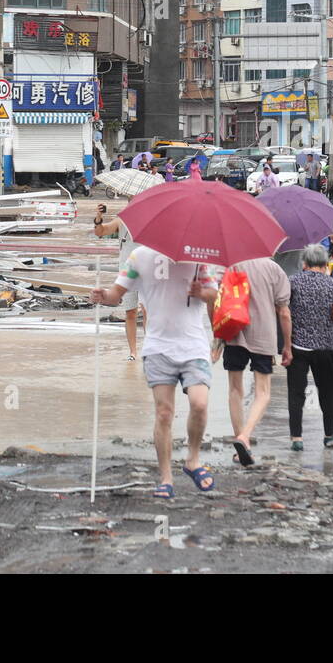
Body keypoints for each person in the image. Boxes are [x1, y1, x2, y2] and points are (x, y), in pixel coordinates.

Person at [91, 246, 218, 499]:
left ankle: (192, 460)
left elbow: (214, 294)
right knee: (163, 413)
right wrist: (101, 295)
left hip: (194, 346)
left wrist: (201, 292)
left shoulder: (197, 256)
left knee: (200, 403)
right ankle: (166, 477)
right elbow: (116, 295)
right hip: (158, 347)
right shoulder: (139, 257)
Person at [283, 243, 333, 451]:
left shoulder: (293, 282)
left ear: (304, 263)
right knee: (328, 391)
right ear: (325, 264)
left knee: (296, 393)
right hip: (325, 347)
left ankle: (297, 438)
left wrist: (286, 345)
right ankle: (329, 434)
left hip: (299, 346)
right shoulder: (332, 285)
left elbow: (285, 314)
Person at [222, 256, 291, 466]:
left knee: (235, 389)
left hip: (233, 333)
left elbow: (217, 302)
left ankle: (239, 442)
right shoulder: (273, 268)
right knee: (263, 392)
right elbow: (284, 311)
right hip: (263, 336)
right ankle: (245, 436)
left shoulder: (230, 265)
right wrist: (287, 345)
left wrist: (217, 340)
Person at [93, 206, 141, 361]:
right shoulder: (122, 220)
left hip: (148, 269)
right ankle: (133, 352)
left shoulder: (154, 221)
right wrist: (98, 218)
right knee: (130, 311)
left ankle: (150, 351)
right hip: (127, 270)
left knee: (149, 312)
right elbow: (101, 232)